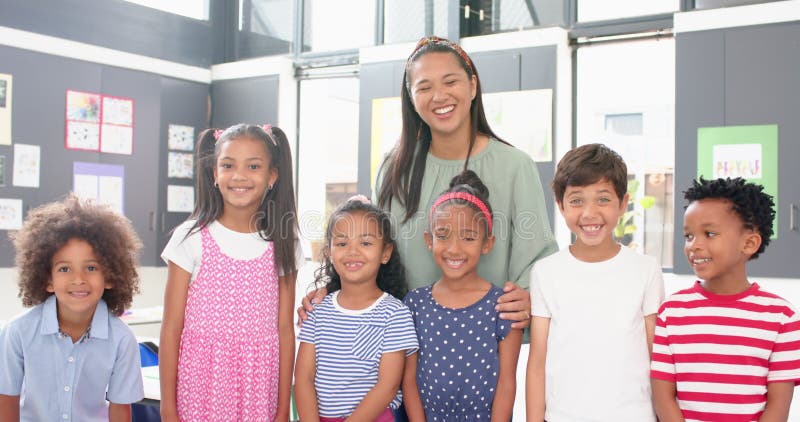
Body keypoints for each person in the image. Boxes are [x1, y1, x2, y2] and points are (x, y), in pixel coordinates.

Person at [300, 35, 557, 331]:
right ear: (410, 97)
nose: (439, 96)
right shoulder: (393, 169)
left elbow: (537, 257)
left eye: (450, 82)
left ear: (472, 86)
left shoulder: (515, 166)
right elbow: (373, 254)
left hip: (485, 344)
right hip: (403, 345)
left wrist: (527, 295)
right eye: (424, 87)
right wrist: (333, 295)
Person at [159, 124, 302, 421]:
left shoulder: (285, 243)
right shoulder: (191, 238)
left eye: (253, 166)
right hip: (199, 387)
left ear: (272, 175)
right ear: (214, 173)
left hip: (258, 389)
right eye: (228, 165)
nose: (239, 176)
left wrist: (282, 409)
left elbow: (285, 331)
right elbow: (171, 329)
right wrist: (168, 408)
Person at [527, 143, 665, 421]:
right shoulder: (545, 272)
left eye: (603, 199)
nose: (589, 213)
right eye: (576, 200)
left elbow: (657, 355)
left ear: (623, 203)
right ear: (560, 205)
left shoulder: (646, 270)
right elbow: (537, 363)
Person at [651, 177, 800, 421]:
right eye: (689, 236)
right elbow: (663, 395)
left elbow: (777, 407)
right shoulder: (672, 312)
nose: (694, 246)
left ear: (749, 243)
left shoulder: (782, 318)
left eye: (709, 234)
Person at [0, 194, 144, 421]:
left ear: (110, 277)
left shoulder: (122, 339)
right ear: (47, 280)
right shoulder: (17, 332)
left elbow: (120, 410)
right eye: (65, 269)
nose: (79, 279)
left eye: (91, 268)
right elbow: (6, 401)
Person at [402, 170, 523, 421]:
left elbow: (507, 383)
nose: (454, 248)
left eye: (468, 237)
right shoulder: (414, 305)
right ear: (429, 240)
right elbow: (409, 380)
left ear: (487, 243)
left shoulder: (503, 306)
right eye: (443, 236)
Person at [295, 196, 419, 422]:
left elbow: (388, 385)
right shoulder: (317, 311)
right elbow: (303, 378)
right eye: (342, 243)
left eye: (365, 243)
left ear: (385, 252)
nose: (352, 251)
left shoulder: (395, 314)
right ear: (329, 253)